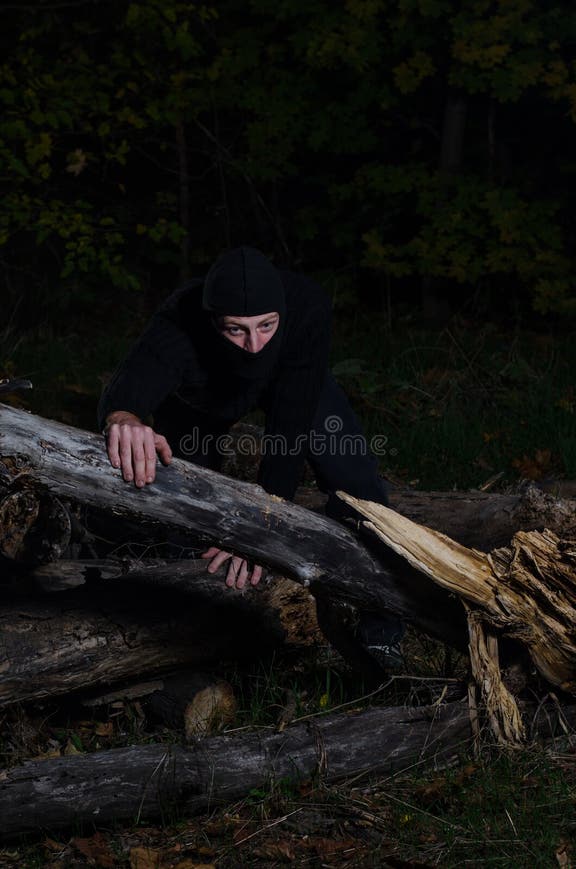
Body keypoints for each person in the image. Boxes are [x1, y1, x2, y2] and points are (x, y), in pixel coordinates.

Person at [98, 246, 403, 669]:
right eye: (236, 330)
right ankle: (191, 634)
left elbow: (289, 431)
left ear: (281, 314)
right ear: (212, 320)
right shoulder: (180, 321)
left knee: (355, 477)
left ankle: (383, 629)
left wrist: (261, 524)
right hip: (200, 399)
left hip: (290, 383)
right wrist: (124, 419)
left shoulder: (306, 307)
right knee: (183, 502)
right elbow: (127, 393)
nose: (255, 345)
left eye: (266, 326)